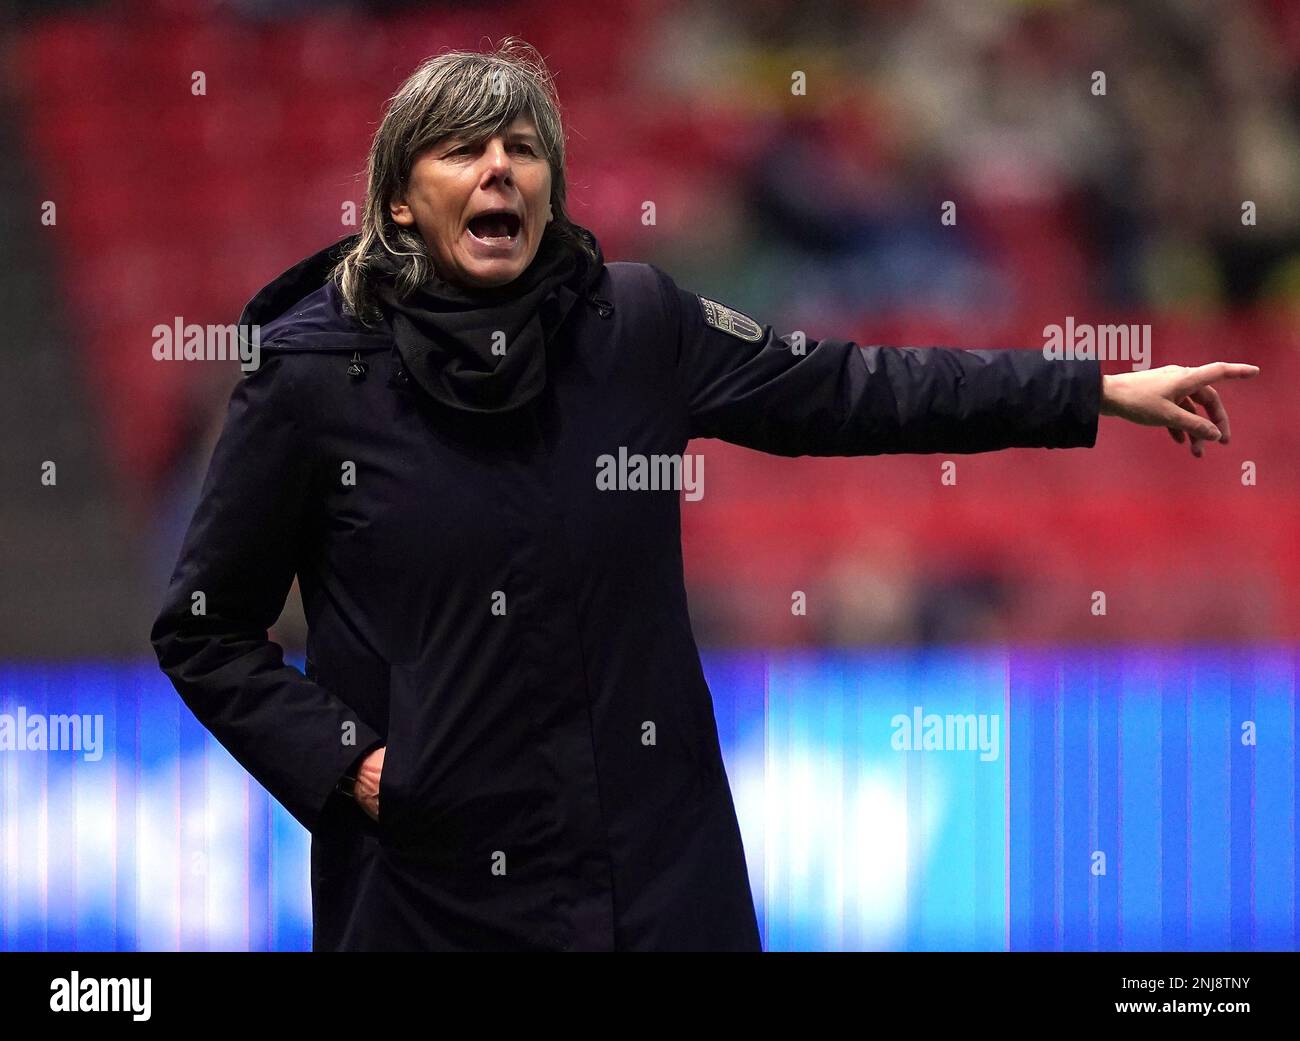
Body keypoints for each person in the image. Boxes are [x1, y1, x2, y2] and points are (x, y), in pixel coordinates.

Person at [149, 38, 1259, 952]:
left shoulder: (632, 327)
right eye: (461, 151)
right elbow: (205, 632)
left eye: (521, 150)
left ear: (550, 189)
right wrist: (353, 767)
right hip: (431, 895)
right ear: (398, 203)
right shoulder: (306, 380)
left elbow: (851, 390)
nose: (499, 169)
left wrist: (1091, 389)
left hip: (655, 874)